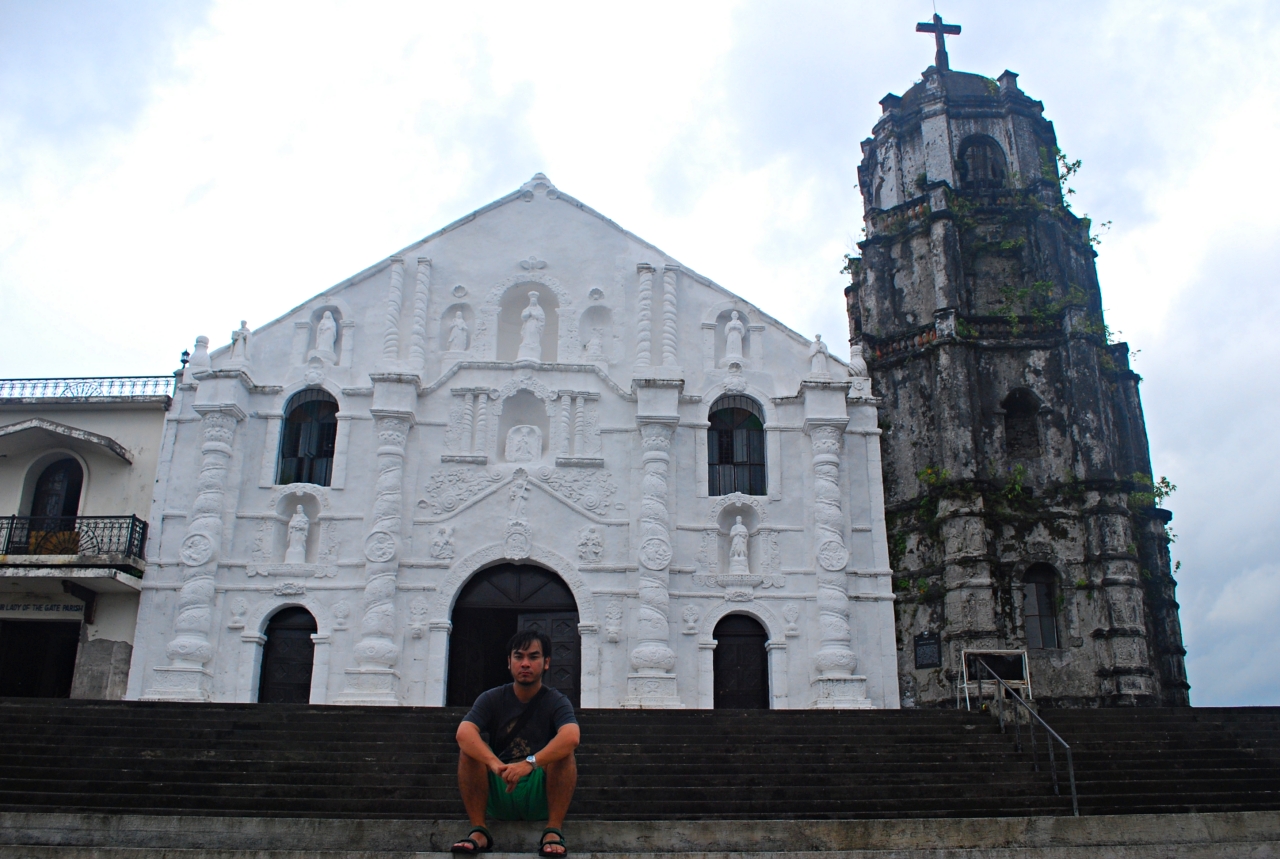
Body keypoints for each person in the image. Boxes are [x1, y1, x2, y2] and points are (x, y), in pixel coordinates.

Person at [452, 630, 579, 857]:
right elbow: (464, 732)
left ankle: (553, 830)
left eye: (534, 656)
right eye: (519, 656)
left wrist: (529, 764)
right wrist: (495, 764)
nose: (525, 663)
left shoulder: (557, 701)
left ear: (546, 662)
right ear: (509, 662)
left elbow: (571, 736)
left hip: (539, 791)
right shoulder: (491, 698)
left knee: (564, 752)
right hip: (501, 785)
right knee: (470, 750)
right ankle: (479, 830)